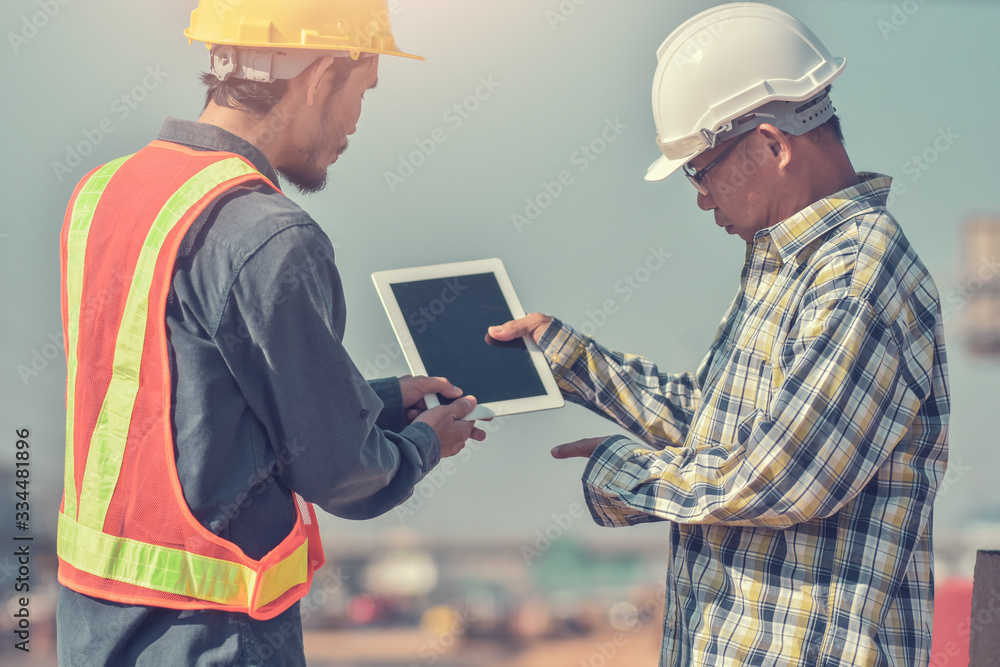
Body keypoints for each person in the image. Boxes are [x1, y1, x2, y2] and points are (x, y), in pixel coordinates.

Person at [490, 3, 950, 665]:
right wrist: (567, 358)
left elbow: (783, 473)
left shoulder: (860, 273)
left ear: (771, 144)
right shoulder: (788, 266)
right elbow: (718, 433)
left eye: (700, 171)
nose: (701, 196)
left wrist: (622, 477)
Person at [55, 1, 485, 664]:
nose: (356, 123)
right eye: (363, 92)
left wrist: (375, 397)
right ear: (321, 78)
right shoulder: (269, 235)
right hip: (212, 637)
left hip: (94, 632)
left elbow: (182, 400)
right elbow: (340, 470)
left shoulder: (103, 194)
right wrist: (427, 442)